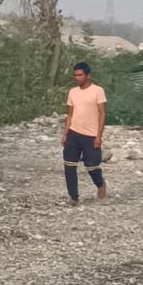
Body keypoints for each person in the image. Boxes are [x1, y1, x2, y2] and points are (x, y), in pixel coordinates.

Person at [63, 62, 109, 205]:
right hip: (73, 133)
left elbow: (102, 114)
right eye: (75, 75)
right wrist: (65, 133)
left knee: (92, 165)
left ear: (88, 75)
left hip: (91, 135)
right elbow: (70, 114)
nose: (77, 78)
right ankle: (74, 197)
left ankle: (100, 184)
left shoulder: (98, 91)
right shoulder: (72, 92)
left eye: (80, 75)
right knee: (69, 165)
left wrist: (99, 136)